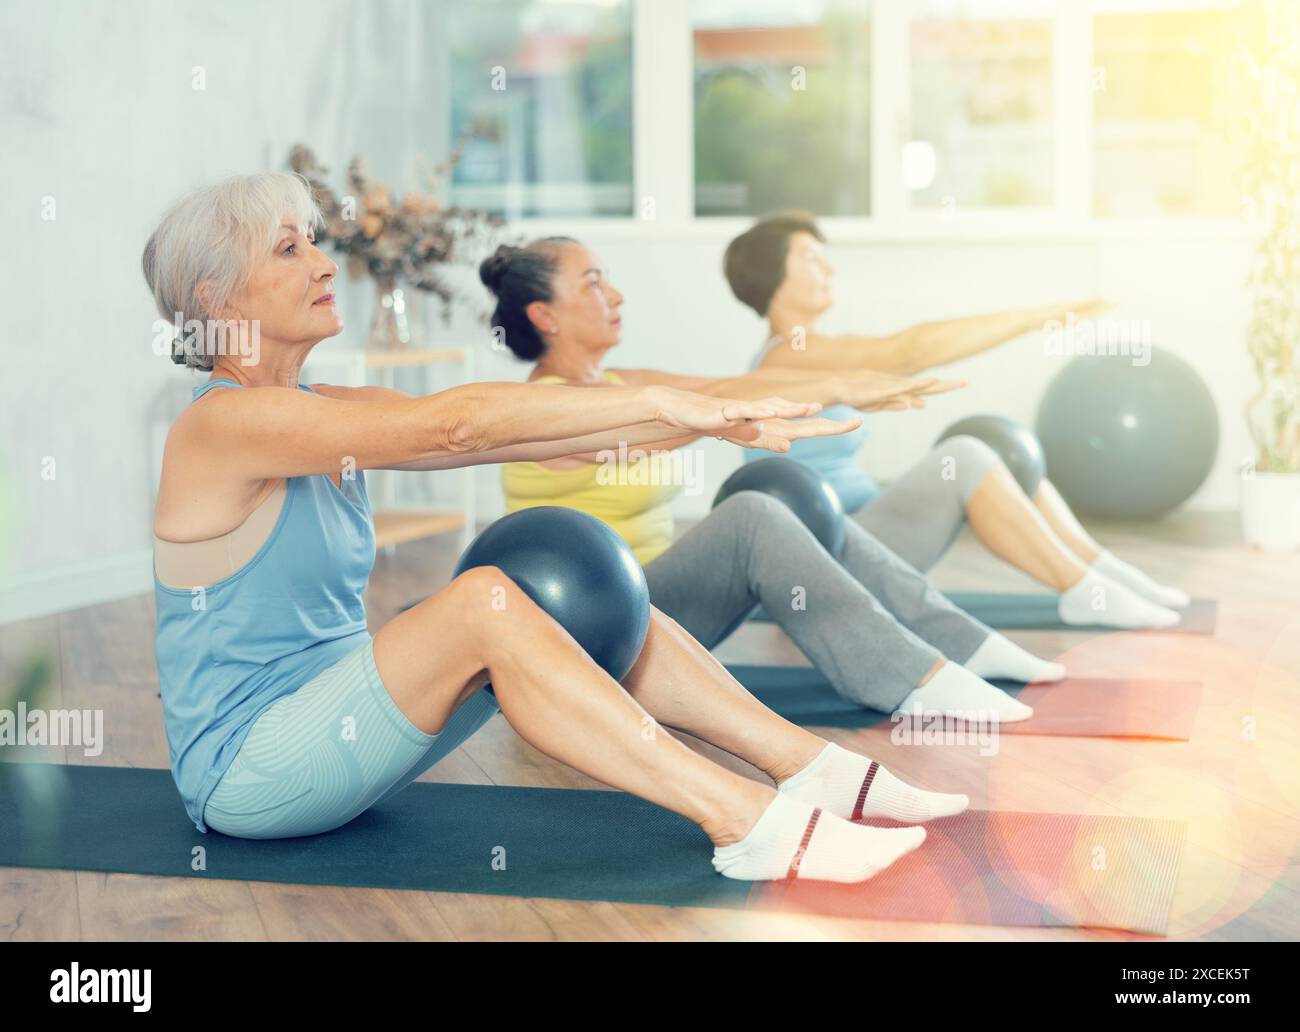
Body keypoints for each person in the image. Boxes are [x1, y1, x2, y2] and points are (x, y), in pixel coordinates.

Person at [145, 172, 976, 886]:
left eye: (314, 241)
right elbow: (457, 427)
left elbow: (537, 427)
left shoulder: (321, 412)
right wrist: (661, 406)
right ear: (215, 299)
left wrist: (710, 419)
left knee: (594, 594)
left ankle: (816, 770)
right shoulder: (220, 429)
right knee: (485, 603)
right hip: (251, 775)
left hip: (341, 728)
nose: (326, 262)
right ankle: (745, 823)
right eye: (289, 250)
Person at [486, 236, 1068, 731]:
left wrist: (843, 382)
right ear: (545, 315)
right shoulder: (540, 408)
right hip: (597, 631)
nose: (614, 295)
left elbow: (727, 385)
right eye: (592, 283)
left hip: (657, 614)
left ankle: (962, 644)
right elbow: (680, 417)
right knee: (752, 516)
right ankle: (910, 679)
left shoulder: (617, 381)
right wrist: (746, 410)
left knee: (768, 493)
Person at [720, 211, 1189, 629]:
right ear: (772, 275)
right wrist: (1036, 318)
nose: (830, 268)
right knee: (966, 455)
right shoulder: (787, 356)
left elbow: (902, 352)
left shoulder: (813, 350)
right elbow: (912, 350)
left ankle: (1103, 571)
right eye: (811, 259)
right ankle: (1082, 591)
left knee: (995, 447)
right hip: (839, 550)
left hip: (871, 524)